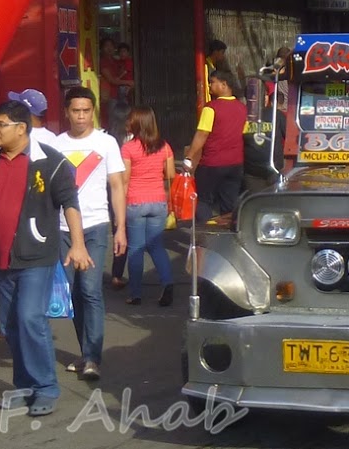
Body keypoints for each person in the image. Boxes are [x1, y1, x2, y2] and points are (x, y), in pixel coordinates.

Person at [0, 99, 89, 419]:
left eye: (1, 124)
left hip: (37, 256)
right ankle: (24, 385)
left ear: (21, 128)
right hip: (2, 258)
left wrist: (79, 244)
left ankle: (46, 387)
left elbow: (70, 203)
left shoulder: (50, 161)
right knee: (10, 324)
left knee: (30, 318)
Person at [48, 87, 126, 383]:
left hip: (95, 226)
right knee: (73, 294)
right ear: (66, 112)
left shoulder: (106, 143)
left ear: (93, 111)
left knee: (91, 290)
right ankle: (85, 353)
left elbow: (117, 186)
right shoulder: (56, 145)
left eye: (86, 110)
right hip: (62, 229)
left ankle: (93, 357)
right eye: (75, 111)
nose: (81, 116)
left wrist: (120, 227)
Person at [119, 105, 175, 307]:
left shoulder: (128, 148)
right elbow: (170, 174)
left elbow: (124, 179)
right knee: (156, 246)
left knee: (135, 248)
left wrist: (120, 207)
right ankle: (167, 282)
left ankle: (135, 294)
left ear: (136, 124)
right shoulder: (164, 146)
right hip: (158, 201)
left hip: (135, 201)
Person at [187, 69, 246, 222]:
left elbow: (202, 134)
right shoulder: (243, 108)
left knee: (204, 201)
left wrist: (190, 156)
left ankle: (203, 235)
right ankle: (227, 236)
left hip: (212, 163)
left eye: (212, 82)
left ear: (224, 84)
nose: (209, 86)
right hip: (235, 164)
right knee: (230, 204)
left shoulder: (211, 108)